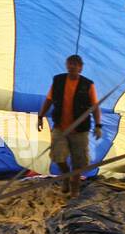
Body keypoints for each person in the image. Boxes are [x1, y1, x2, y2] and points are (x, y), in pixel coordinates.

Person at [37, 54, 102, 196]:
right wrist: (40, 116)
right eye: (70, 63)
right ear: (67, 65)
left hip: (80, 130)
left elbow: (95, 107)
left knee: (79, 162)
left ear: (81, 68)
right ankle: (66, 176)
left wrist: (98, 125)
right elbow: (48, 100)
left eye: (76, 64)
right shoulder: (58, 81)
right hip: (60, 127)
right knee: (57, 156)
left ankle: (74, 187)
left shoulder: (88, 85)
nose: (72, 66)